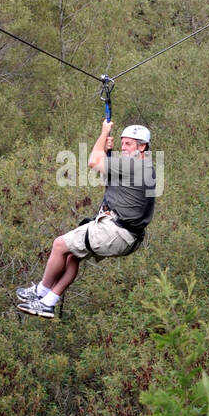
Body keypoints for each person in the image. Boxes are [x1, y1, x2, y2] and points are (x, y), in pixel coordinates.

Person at [16, 121, 156, 318]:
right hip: (127, 237)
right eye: (122, 143)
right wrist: (107, 152)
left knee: (59, 245)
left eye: (129, 144)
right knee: (73, 255)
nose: (123, 148)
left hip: (116, 232)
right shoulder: (145, 167)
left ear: (142, 147)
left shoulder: (133, 164)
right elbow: (112, 179)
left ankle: (41, 291)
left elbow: (93, 161)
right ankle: (49, 302)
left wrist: (103, 133)